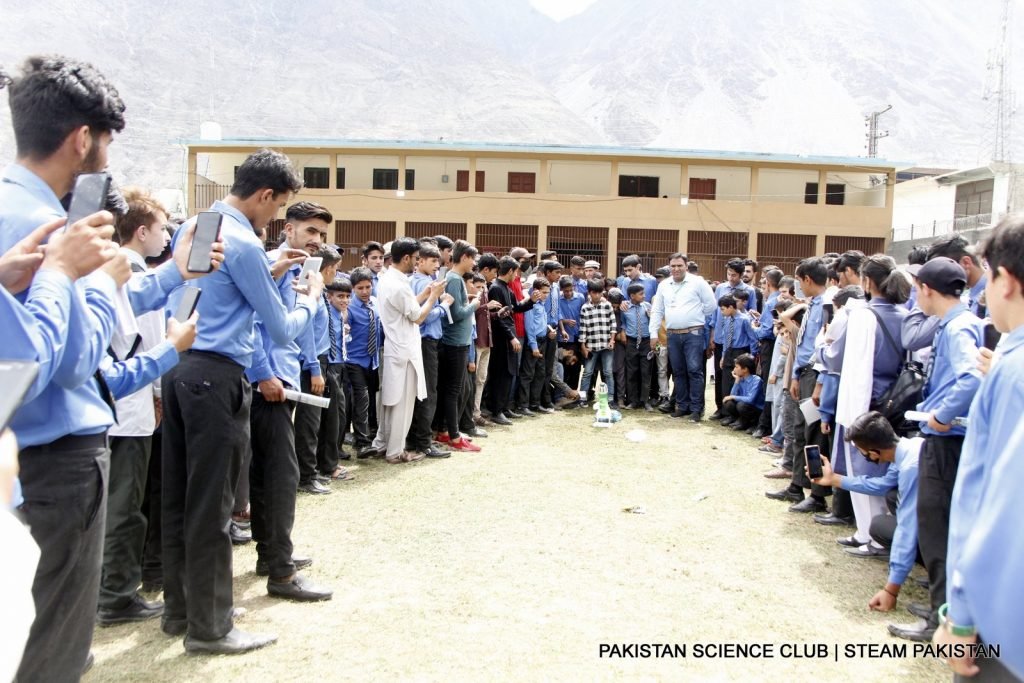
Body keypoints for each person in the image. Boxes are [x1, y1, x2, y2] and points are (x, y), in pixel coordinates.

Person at [1, 56, 221, 677]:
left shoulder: (22, 213)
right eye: (104, 142)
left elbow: (105, 306)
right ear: (82, 139)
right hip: (52, 461)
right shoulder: (43, 227)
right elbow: (70, 360)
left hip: (31, 461)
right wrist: (94, 285)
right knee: (50, 646)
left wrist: (173, 272)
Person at [160, 149, 309, 655]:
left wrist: (269, 267)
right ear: (266, 195)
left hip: (180, 366)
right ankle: (212, 626)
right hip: (219, 378)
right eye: (279, 207)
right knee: (215, 505)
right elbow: (281, 327)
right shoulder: (244, 241)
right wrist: (308, 296)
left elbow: (195, 295)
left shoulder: (200, 226)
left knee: (181, 497)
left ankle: (182, 609)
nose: (276, 218)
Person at [938, 216, 1024, 681]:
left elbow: (995, 503)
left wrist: (963, 614)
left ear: (1005, 280)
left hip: (1004, 624)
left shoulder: (1012, 369)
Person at [888, 256, 984, 643]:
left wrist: (943, 413)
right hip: (951, 438)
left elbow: (972, 376)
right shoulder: (963, 322)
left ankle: (938, 620)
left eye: (916, 289)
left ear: (927, 289)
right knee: (942, 526)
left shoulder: (957, 327)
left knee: (936, 528)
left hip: (946, 440)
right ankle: (940, 608)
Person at [97, 188, 174, 627]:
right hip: (129, 406)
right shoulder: (135, 273)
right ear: (142, 231)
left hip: (118, 405)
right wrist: (161, 392)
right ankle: (116, 595)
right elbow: (151, 341)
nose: (166, 237)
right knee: (126, 506)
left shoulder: (113, 269)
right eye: (162, 228)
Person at [811, 412, 923, 618]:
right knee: (891, 496)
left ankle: (937, 571)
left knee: (880, 527)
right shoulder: (911, 447)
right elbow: (882, 485)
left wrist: (891, 589)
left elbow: (908, 527)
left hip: (950, 530)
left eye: (860, 451)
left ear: (873, 451)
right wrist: (835, 479)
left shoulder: (910, 468)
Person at [371, 237, 445, 463]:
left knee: (390, 400)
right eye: (414, 258)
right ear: (405, 258)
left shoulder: (388, 278)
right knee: (402, 403)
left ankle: (383, 443)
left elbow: (407, 305)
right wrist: (433, 298)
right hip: (403, 349)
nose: (416, 263)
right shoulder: (398, 283)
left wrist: (424, 295)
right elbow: (417, 316)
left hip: (396, 347)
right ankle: (395, 451)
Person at [766, 257, 830, 512]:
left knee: (813, 434)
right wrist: (794, 375)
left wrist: (817, 382)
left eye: (799, 280)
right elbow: (802, 344)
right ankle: (796, 485)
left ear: (807, 280)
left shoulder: (826, 306)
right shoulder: (812, 305)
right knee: (800, 431)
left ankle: (816, 493)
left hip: (814, 377)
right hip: (802, 374)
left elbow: (825, 349)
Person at [648, 253, 716, 421]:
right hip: (672, 334)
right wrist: (653, 333)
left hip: (693, 333)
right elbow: (657, 310)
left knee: (694, 370)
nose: (676, 269)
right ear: (669, 267)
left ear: (686, 266)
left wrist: (695, 315)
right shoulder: (664, 285)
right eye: (673, 266)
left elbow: (711, 305)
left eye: (679, 265)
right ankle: (682, 406)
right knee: (678, 371)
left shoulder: (698, 282)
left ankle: (696, 409)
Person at [405, 242, 451, 459]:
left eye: (437, 262)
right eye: (432, 261)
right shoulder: (425, 284)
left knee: (420, 392)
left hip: (419, 342)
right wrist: (445, 306)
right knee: (428, 392)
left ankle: (416, 438)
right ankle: (424, 441)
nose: (436, 266)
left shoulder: (415, 281)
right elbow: (425, 316)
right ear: (419, 261)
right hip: (426, 341)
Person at [436, 239, 480, 451]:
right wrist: (474, 304)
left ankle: (445, 431)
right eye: (473, 258)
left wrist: (466, 301)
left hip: (455, 342)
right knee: (453, 391)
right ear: (464, 258)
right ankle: (454, 436)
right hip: (454, 344)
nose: (474, 263)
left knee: (450, 389)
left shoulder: (454, 278)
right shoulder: (454, 279)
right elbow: (456, 313)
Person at [486, 256, 535, 424]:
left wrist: (531, 301)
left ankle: (505, 407)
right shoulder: (496, 289)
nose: (517, 275)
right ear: (509, 271)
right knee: (501, 375)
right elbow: (499, 318)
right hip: (502, 339)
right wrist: (512, 336)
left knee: (510, 374)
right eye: (516, 271)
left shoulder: (508, 289)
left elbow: (515, 308)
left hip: (510, 337)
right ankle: (496, 410)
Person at [709, 259, 757, 418]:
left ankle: (734, 411)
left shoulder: (748, 291)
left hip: (739, 341)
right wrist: (713, 336)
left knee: (736, 376)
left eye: (734, 275)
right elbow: (716, 314)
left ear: (741, 275)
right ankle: (720, 408)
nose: (731, 277)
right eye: (728, 274)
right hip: (722, 339)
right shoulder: (721, 288)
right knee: (720, 373)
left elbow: (752, 313)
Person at [346, 267, 382, 458]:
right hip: (354, 360)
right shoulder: (349, 308)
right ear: (353, 288)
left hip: (373, 360)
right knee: (361, 398)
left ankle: (372, 434)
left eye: (368, 286)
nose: (365, 291)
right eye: (360, 288)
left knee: (371, 399)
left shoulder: (376, 304)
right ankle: (361, 443)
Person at [320, 279, 351, 478]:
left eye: (348, 297)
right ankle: (328, 465)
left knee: (339, 416)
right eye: (340, 296)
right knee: (332, 419)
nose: (345, 300)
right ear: (328, 296)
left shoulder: (340, 315)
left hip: (340, 365)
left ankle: (331, 459)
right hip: (328, 365)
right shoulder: (326, 314)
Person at [577, 279, 617, 406]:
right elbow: (582, 329)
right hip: (591, 346)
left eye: (600, 293)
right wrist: (583, 346)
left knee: (608, 372)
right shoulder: (585, 308)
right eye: (595, 293)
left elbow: (613, 324)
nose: (598, 295)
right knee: (587, 372)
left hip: (606, 346)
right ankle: (583, 398)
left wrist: (612, 340)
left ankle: (610, 399)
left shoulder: (607, 305)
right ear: (589, 293)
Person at [516, 278, 551, 415]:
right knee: (528, 374)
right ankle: (523, 405)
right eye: (543, 292)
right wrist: (533, 346)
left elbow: (541, 323)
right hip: (534, 342)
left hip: (543, 340)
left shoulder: (542, 304)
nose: (546, 295)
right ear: (536, 290)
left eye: (548, 292)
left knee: (540, 373)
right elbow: (529, 327)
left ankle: (535, 403)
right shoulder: (531, 304)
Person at [473, 255, 498, 424]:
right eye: (479, 287)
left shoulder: (486, 289)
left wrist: (496, 313)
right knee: (471, 381)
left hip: (486, 340)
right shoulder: (471, 289)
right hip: (475, 341)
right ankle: (468, 414)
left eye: (483, 287)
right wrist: (485, 307)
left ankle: (476, 412)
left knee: (481, 379)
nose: (482, 289)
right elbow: (467, 312)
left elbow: (485, 315)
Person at [622, 282, 653, 411]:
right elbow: (623, 324)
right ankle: (633, 400)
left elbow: (654, 323)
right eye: (641, 294)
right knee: (632, 372)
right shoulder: (625, 308)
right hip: (632, 342)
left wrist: (651, 316)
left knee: (646, 372)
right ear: (632, 296)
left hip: (646, 342)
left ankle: (645, 400)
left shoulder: (647, 306)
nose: (644, 296)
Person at [720, 353, 764, 431]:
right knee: (729, 403)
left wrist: (733, 397)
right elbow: (732, 395)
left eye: (736, 367)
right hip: (745, 406)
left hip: (756, 409)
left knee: (741, 405)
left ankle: (753, 423)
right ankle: (739, 420)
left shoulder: (756, 380)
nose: (734, 370)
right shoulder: (740, 378)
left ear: (745, 369)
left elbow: (750, 399)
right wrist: (736, 381)